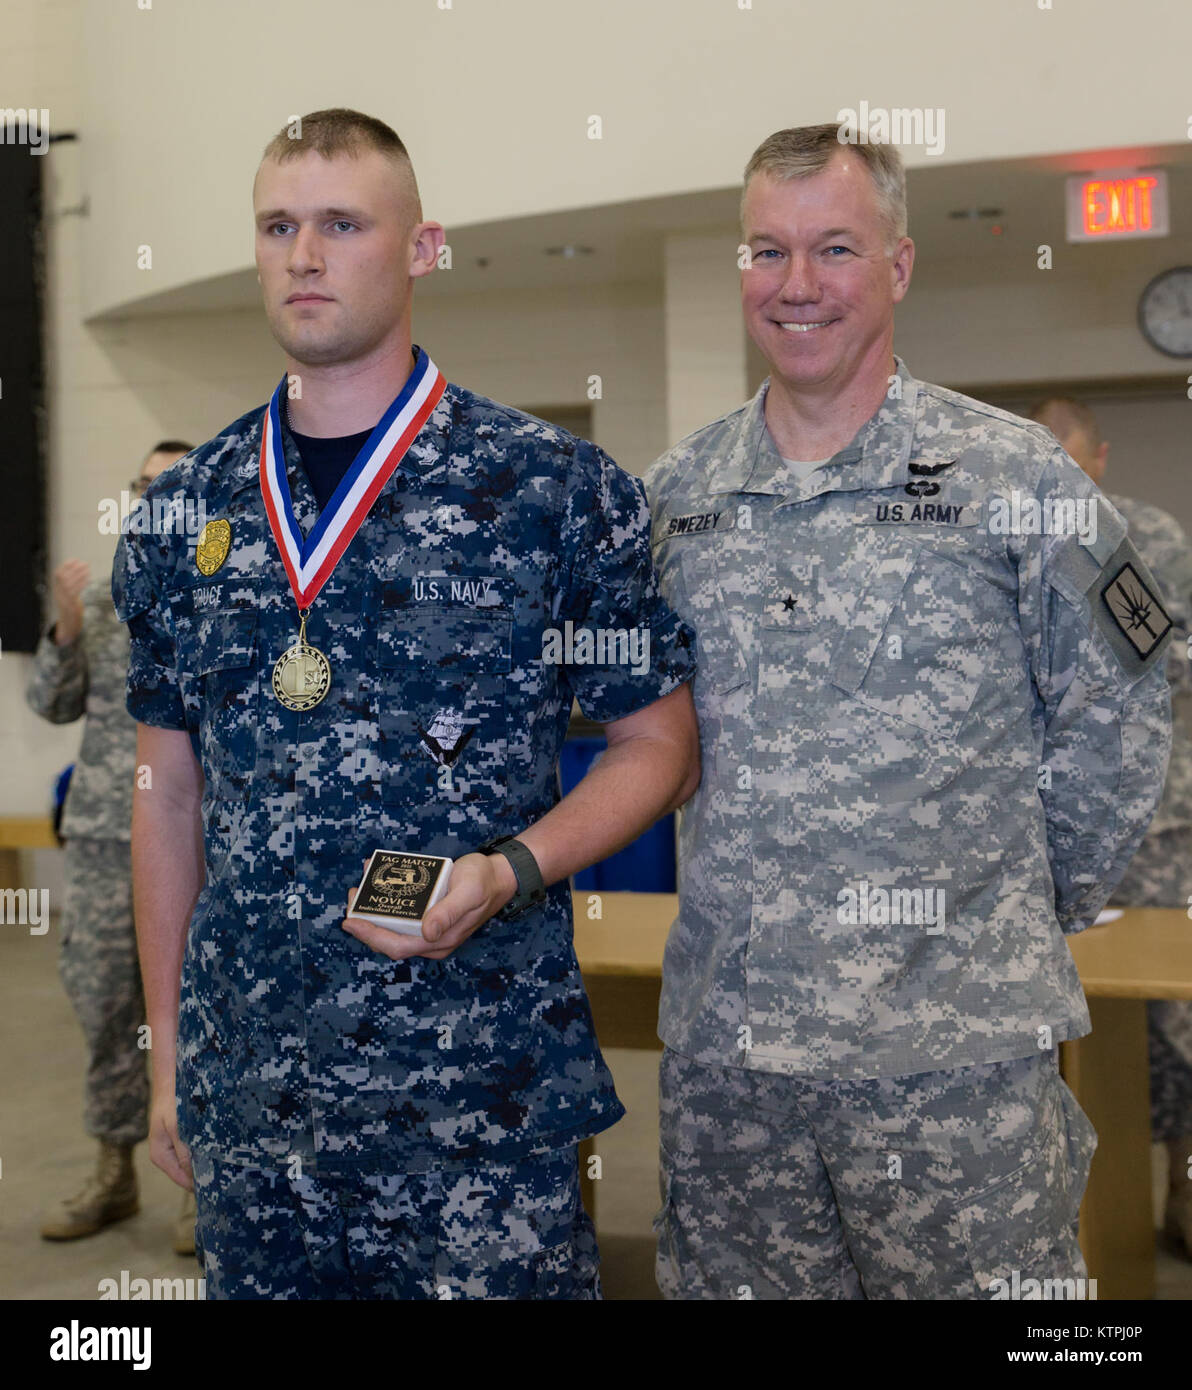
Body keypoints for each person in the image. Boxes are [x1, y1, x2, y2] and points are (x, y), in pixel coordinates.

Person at [111, 108, 699, 1301]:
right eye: (278, 226)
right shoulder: (187, 513)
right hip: (257, 1097)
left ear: (422, 248)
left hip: (476, 1098)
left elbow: (658, 744)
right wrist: (171, 1057)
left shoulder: (552, 489)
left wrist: (510, 869)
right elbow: (165, 796)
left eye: (341, 223)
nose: (303, 256)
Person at [643, 123, 1173, 1299]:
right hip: (737, 1060)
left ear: (898, 263)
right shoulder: (676, 497)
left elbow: (1123, 708)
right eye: (766, 251)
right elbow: (648, 730)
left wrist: (1014, 911)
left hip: (955, 1064)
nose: (796, 284)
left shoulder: (1016, 476)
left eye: (833, 248)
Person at [1030, 395, 1192, 1256]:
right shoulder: (1000, 530)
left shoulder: (1150, 537)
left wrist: (1128, 659)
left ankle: (1180, 1191)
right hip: (1038, 830)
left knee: (1173, 1021)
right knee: (1066, 1024)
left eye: (1070, 457)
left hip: (1160, 825)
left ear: (1098, 459)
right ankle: (1088, 1209)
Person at [28, 440, 195, 1253]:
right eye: (146, 485)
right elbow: (50, 706)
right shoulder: (100, 606)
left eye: (174, 485)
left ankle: (201, 1184)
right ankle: (114, 1171)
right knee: (105, 1009)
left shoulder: (222, 595)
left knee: (196, 1008)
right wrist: (61, 624)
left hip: (197, 838)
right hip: (101, 834)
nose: (157, 498)